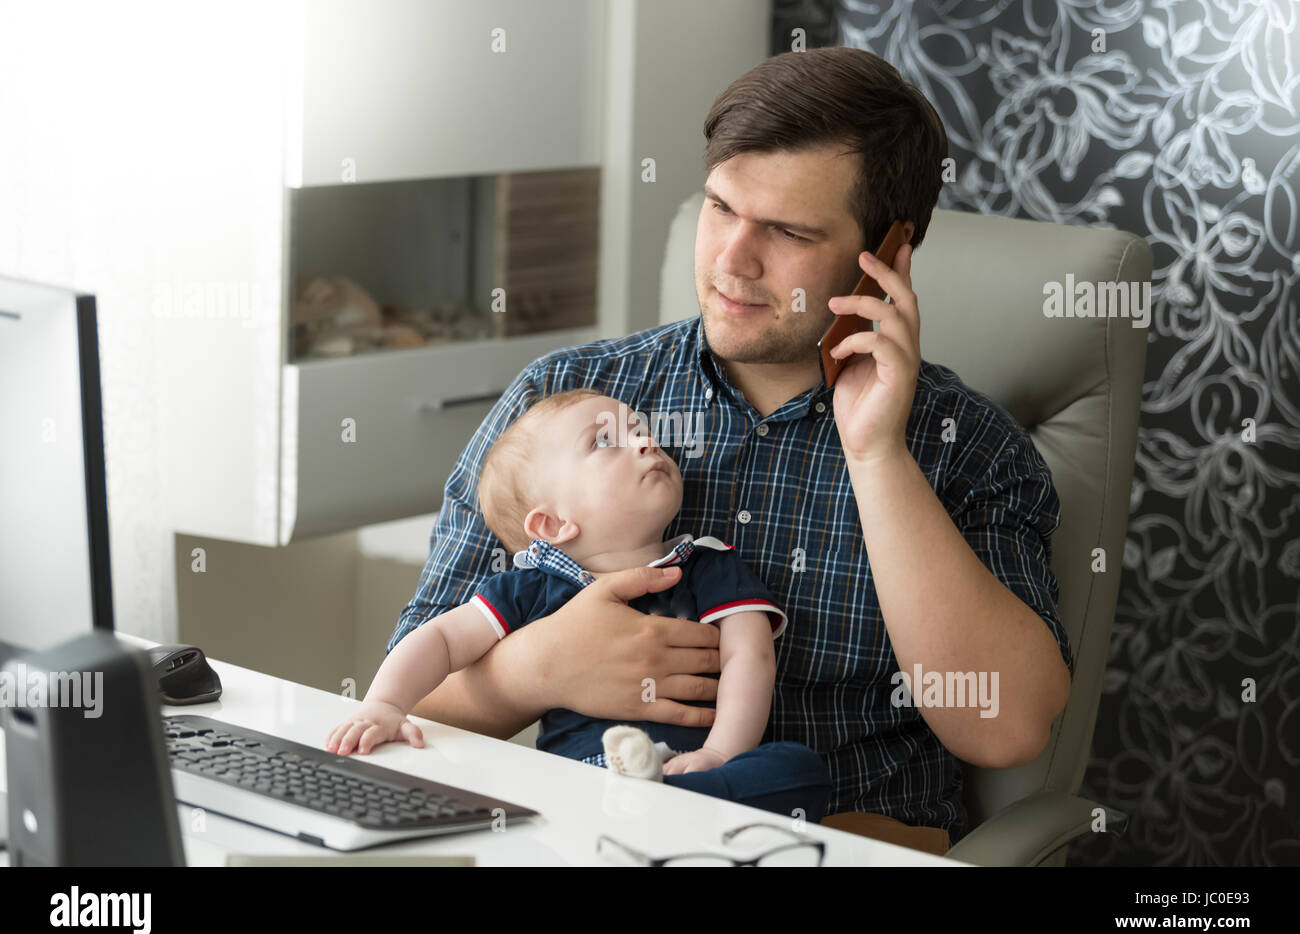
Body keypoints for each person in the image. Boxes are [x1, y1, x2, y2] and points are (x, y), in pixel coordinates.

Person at [387, 47, 1074, 854]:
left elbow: (1007, 729)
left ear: (887, 256)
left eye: (785, 230)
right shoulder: (565, 399)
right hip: (598, 837)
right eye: (719, 208)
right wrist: (539, 669)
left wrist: (878, 454)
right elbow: (408, 693)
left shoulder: (968, 446)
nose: (731, 262)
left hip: (838, 841)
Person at [327, 389, 832, 820]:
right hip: (581, 781)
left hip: (695, 772)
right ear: (553, 525)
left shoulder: (707, 564)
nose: (644, 441)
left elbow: (752, 657)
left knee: (799, 770)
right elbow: (438, 638)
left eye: (640, 429)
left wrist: (723, 753)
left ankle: (664, 804)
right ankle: (640, 804)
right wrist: (385, 705)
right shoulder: (532, 588)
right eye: (605, 441)